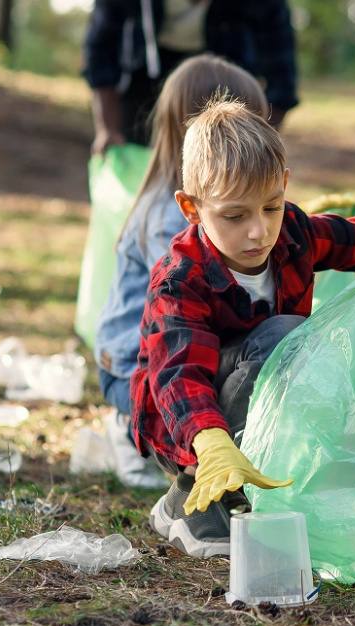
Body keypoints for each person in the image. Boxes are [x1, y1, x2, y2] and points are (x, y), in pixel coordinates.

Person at [131, 97, 355, 557]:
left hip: (257, 397)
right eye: (234, 216)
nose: (259, 232)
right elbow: (179, 377)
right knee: (284, 337)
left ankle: (243, 481)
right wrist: (211, 442)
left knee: (300, 345)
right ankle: (193, 496)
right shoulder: (182, 280)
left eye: (271, 207)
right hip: (185, 425)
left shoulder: (294, 233)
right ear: (192, 208)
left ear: (284, 187)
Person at [95, 54, 270, 421]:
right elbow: (187, 318)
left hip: (166, 358)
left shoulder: (210, 205)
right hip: (132, 373)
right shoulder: (168, 221)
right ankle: (131, 428)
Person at [82, 0, 298, 154]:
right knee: (139, 158)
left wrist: (262, 142)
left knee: (220, 164)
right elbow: (100, 49)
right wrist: (108, 129)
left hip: (224, 82)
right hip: (142, 79)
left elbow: (282, 76)